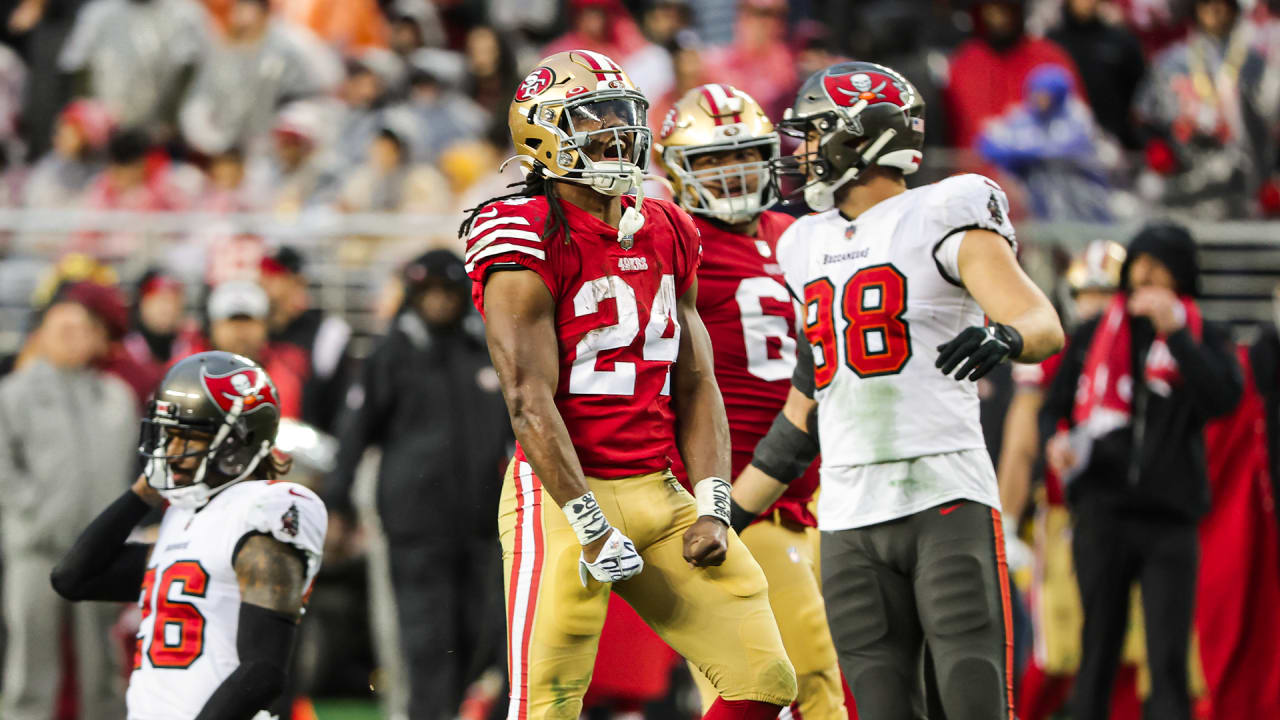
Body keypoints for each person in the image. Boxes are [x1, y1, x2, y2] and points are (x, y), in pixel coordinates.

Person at [461, 49, 797, 720]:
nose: (618, 135)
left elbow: (696, 379)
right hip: (560, 496)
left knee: (764, 676)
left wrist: (711, 502)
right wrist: (587, 524)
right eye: (595, 120)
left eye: (624, 117)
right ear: (544, 135)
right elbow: (528, 400)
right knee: (547, 703)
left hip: (657, 488)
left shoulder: (669, 225)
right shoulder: (520, 234)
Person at [726, 61, 1064, 719]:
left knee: (973, 705)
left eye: (819, 130)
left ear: (864, 136)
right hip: (849, 514)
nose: (804, 149)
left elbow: (1041, 320)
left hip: (943, 497)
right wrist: (724, 519)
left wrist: (1007, 339)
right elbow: (803, 413)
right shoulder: (803, 242)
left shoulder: (942, 210)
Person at [654, 83, 845, 720]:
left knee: (821, 675)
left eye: (743, 154)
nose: (731, 171)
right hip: (735, 497)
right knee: (794, 679)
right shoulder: (675, 242)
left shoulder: (796, 232)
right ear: (676, 170)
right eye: (709, 160)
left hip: (820, 489)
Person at [49, 351, 327, 720]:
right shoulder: (184, 516)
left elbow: (263, 672)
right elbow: (72, 578)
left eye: (186, 438)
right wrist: (140, 495)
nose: (171, 452)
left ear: (237, 444)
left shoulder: (261, 510)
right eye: (169, 436)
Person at [1040, 222, 1241, 720]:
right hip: (1102, 512)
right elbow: (1054, 406)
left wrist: (1178, 337)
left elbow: (1223, 399)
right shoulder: (1093, 334)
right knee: (1097, 648)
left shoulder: (1203, 335)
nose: (1145, 279)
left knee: (1167, 655)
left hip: (1170, 520)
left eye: (1158, 269)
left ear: (1181, 276)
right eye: (1140, 268)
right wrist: (1056, 442)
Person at [326, 249, 512, 720]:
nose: (438, 302)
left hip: (481, 523)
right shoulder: (392, 354)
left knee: (481, 635)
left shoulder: (487, 349)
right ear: (413, 295)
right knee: (426, 641)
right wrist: (338, 502)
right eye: (427, 292)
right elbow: (355, 431)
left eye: (446, 291)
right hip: (416, 528)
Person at [997, 240, 1124, 720]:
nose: (1094, 304)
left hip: (1132, 517)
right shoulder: (1057, 356)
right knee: (1060, 647)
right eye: (1087, 293)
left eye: (1105, 292)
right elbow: (1022, 442)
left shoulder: (1146, 350)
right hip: (1068, 518)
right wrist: (1008, 519)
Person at [0, 283, 138, 720]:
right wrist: (31, 515)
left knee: (103, 661)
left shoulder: (117, 396)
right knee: (31, 660)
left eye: (83, 329)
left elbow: (132, 470)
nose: (73, 337)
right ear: (41, 332)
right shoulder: (13, 393)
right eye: (63, 328)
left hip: (99, 552)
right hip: (35, 550)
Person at [1134, 0, 1269, 218]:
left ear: (1234, 11)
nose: (1215, 11)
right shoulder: (1172, 61)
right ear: (1195, 10)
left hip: (1241, 188)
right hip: (1183, 179)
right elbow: (1144, 115)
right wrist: (1158, 149)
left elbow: (1268, 128)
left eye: (1223, 5)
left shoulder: (1254, 64)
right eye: (1207, 4)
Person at [977, 64, 1117, 221]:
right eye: (1036, 93)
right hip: (1037, 199)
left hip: (1080, 193)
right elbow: (988, 144)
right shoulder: (1026, 115)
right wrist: (1024, 153)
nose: (1039, 100)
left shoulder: (1077, 115)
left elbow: (1060, 150)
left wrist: (1019, 152)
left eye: (1045, 95)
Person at [945, 0, 1083, 150]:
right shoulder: (963, 63)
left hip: (1043, 166)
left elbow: (1078, 122)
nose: (998, 18)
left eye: (1006, 9)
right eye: (991, 9)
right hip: (973, 167)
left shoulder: (1051, 59)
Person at [259, 247, 352, 433]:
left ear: (298, 282)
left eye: (273, 278)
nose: (263, 285)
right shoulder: (254, 330)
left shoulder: (328, 333)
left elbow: (338, 403)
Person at [1047, 0, 1147, 150]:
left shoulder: (1121, 41)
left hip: (1116, 143)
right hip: (1063, 143)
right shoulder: (1052, 44)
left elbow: (1140, 91)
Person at [204, 280, 305, 419]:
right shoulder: (190, 372)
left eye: (249, 322)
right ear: (214, 327)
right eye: (232, 322)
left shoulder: (287, 372)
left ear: (264, 326)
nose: (241, 332)